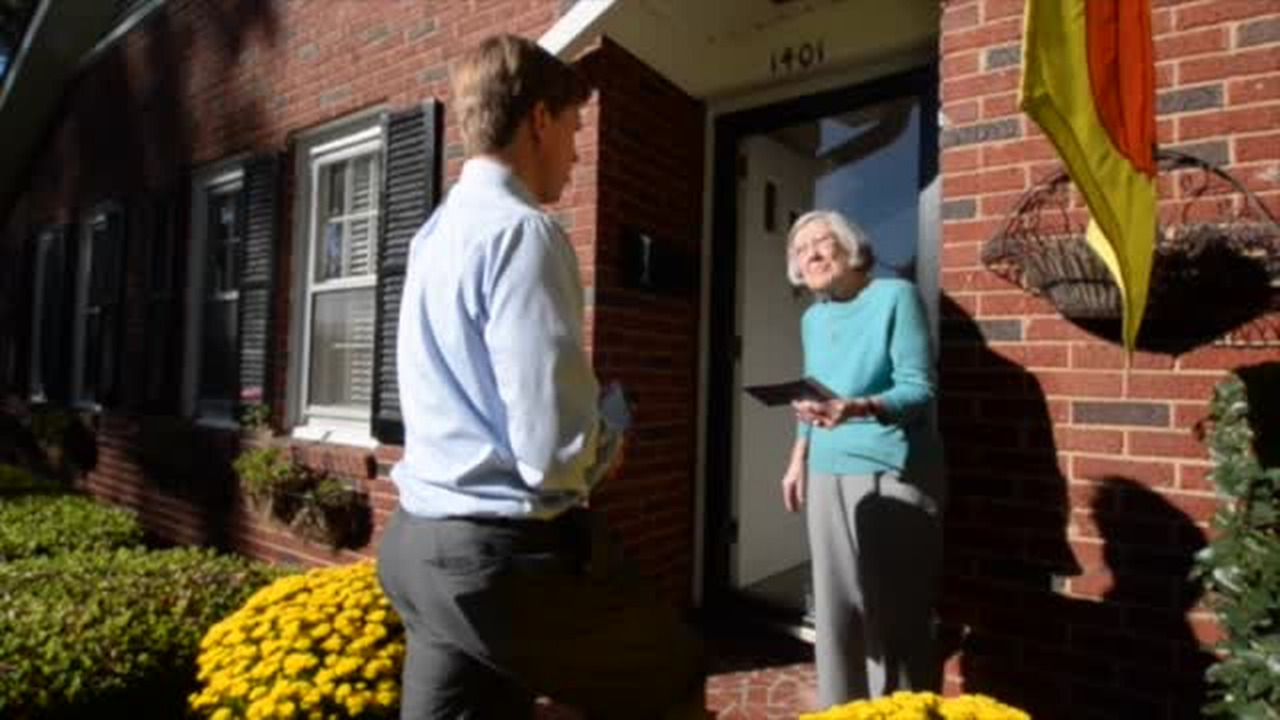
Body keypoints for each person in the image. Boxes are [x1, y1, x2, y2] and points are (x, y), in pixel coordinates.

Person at [376, 34, 707, 720]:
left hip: (416, 548)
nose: (580, 154)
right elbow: (553, 459)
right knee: (673, 669)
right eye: (576, 129)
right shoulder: (524, 231)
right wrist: (609, 438)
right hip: (496, 561)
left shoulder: (435, 232)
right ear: (538, 121)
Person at [779, 209, 946, 708]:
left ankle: (904, 711)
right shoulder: (813, 318)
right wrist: (797, 458)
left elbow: (920, 388)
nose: (809, 254)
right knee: (835, 613)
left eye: (819, 241)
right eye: (799, 249)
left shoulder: (895, 297)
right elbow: (811, 395)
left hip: (890, 469)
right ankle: (843, 711)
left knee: (894, 614)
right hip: (827, 469)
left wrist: (859, 407)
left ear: (849, 246)